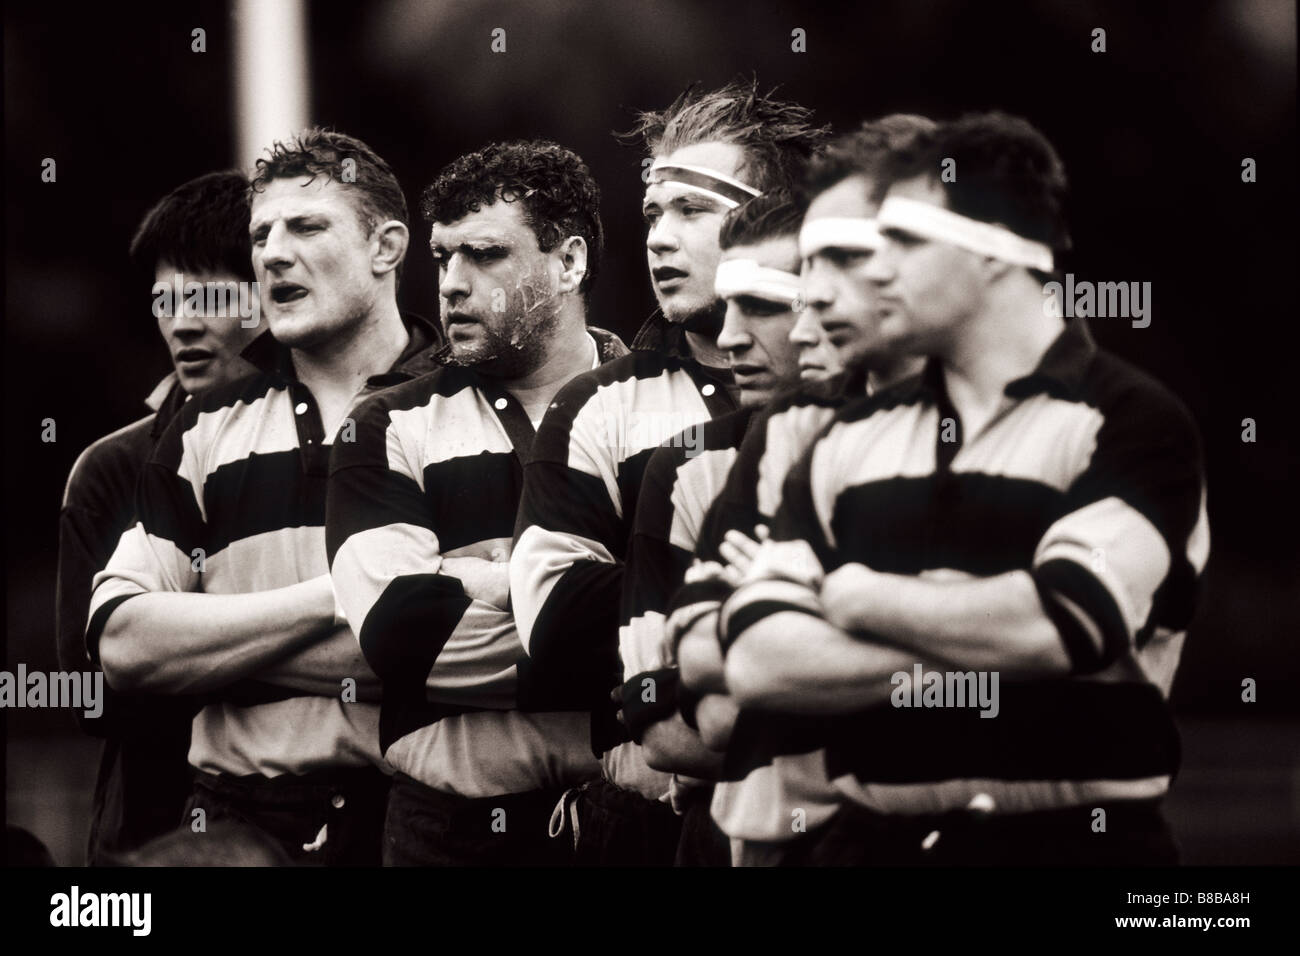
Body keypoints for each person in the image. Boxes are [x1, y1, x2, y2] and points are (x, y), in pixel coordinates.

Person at [720, 112, 1208, 865]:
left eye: (906, 242)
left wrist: (855, 598)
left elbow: (1062, 624)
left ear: (994, 257)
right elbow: (757, 661)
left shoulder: (1132, 419)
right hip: (871, 848)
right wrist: (986, 630)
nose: (877, 272)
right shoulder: (846, 437)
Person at [87, 128, 445, 866]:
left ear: (387, 248)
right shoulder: (203, 424)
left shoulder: (474, 408)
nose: (272, 252)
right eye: (261, 235)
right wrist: (341, 598)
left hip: (424, 821)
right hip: (236, 825)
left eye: (307, 227)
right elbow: (123, 646)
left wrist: (215, 650)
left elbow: (492, 649)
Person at [511, 78, 827, 864]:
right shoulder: (594, 405)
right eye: (654, 212)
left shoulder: (881, 416)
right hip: (641, 812)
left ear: (773, 221)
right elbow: (550, 628)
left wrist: (662, 592)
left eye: (691, 210)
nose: (657, 237)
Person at [326, 140, 628, 865]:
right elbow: (401, 643)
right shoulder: (382, 423)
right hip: (447, 831)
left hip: (638, 817)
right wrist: (625, 640)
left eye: (485, 255)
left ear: (570, 263)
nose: (452, 284)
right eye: (443, 256)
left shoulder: (667, 408)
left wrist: (487, 583)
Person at [675, 117, 935, 865]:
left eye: (762, 303)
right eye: (817, 267)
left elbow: (1058, 658)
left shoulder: (1057, 415)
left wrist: (803, 603)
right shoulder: (791, 429)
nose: (727, 337)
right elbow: (707, 667)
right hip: (762, 837)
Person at [56, 170, 261, 864]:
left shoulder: (346, 444)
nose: (182, 321)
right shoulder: (109, 470)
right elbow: (88, 691)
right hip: (146, 838)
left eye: (206, 295)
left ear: (271, 294)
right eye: (166, 299)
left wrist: (179, 642)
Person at [616, 190, 823, 865]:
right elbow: (661, 720)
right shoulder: (700, 462)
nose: (730, 335)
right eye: (729, 305)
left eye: (761, 305)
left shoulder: (929, 450)